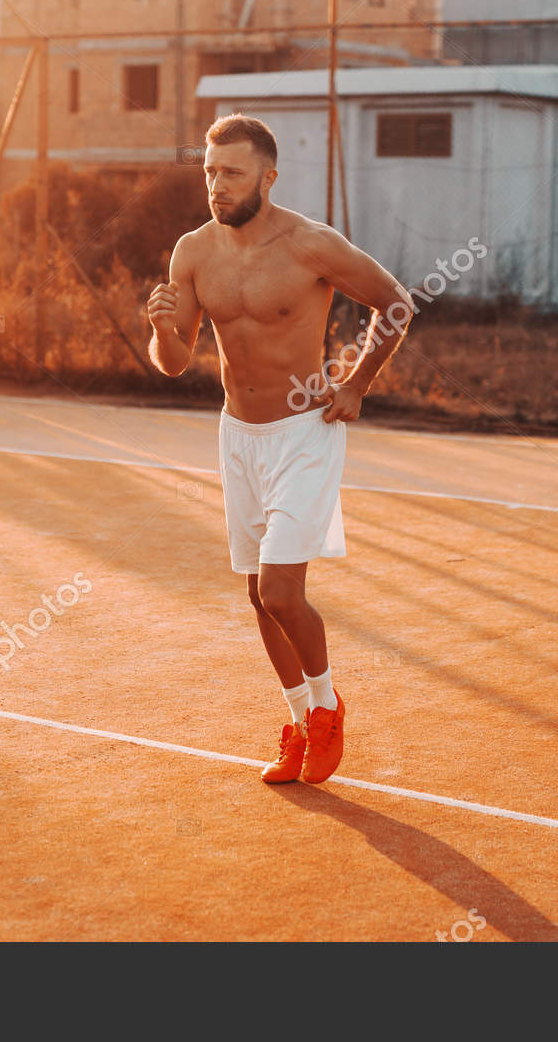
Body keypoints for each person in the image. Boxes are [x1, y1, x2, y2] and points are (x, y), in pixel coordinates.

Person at [146, 113, 412, 784]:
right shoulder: (192, 252)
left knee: (281, 590)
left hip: (303, 433)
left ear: (266, 176)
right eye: (209, 172)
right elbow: (174, 362)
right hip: (238, 436)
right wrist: (161, 331)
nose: (216, 185)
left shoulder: (310, 245)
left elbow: (396, 304)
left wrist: (357, 383)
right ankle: (296, 721)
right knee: (257, 596)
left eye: (231, 173)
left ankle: (327, 710)